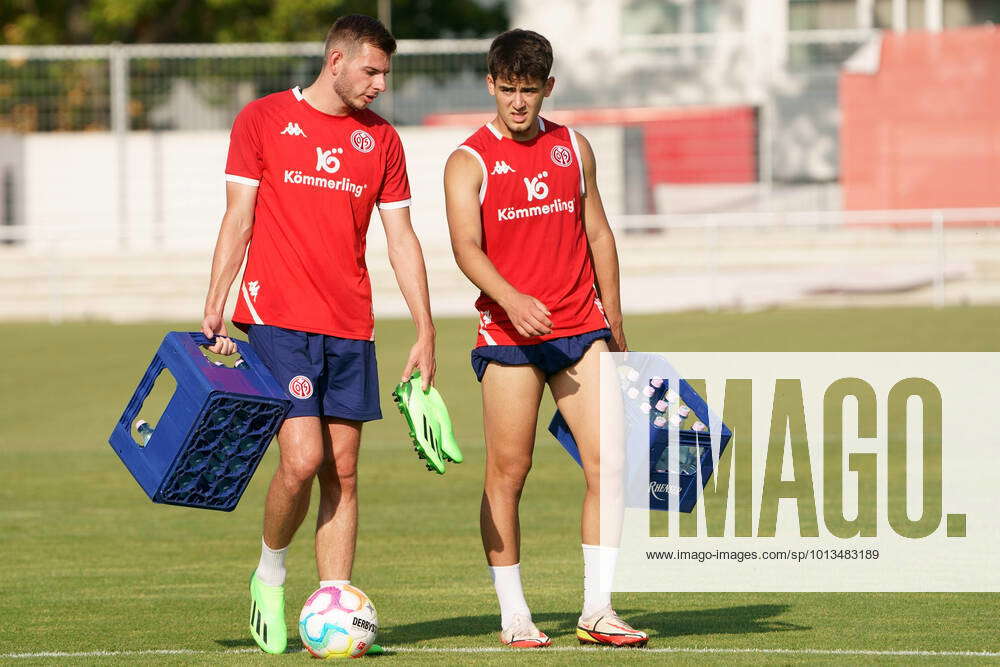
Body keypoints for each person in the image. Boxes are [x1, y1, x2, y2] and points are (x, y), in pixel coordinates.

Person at [200, 14, 435, 655]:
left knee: (345, 473)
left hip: (350, 324)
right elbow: (239, 216)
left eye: (386, 72)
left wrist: (425, 328)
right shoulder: (263, 120)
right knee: (302, 460)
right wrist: (215, 302)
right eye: (372, 70)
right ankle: (270, 575)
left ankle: (335, 608)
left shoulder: (383, 141)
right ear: (336, 61)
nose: (381, 84)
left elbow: (401, 238)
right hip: (275, 317)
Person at [443, 29, 648, 648]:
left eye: (529, 91)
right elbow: (464, 248)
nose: (518, 103)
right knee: (510, 472)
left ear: (548, 88)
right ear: (491, 84)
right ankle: (514, 615)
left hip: (580, 327)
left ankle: (597, 610)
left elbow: (601, 236)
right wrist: (511, 298)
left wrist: (614, 320)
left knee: (608, 464)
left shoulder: (574, 148)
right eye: (507, 90)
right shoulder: (467, 160)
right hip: (508, 336)